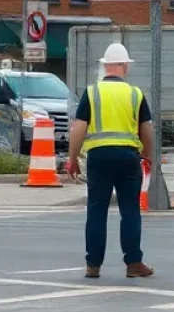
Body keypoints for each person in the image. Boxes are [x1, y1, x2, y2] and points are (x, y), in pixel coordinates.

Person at [65, 43, 155, 279]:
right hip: (128, 157)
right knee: (130, 210)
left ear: (105, 66)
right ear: (125, 66)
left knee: (96, 211)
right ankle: (134, 263)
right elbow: (147, 129)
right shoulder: (135, 94)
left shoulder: (92, 92)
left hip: (99, 157)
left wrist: (72, 159)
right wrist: (147, 155)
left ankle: (93, 265)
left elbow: (78, 128)